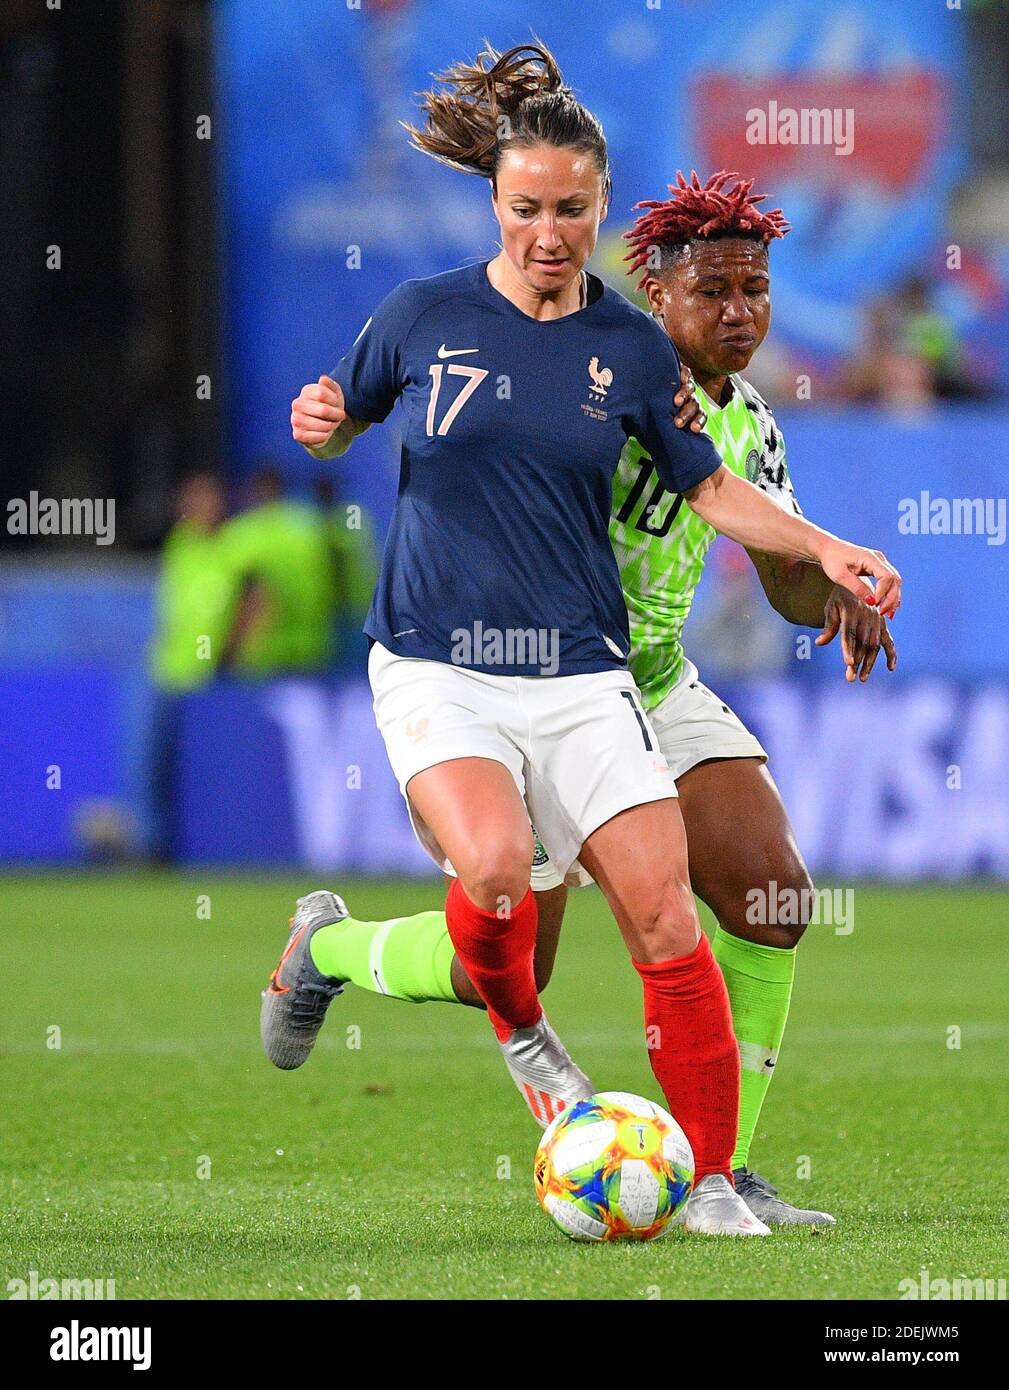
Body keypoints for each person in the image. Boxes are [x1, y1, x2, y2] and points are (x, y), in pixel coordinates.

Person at [261, 43, 901, 1237]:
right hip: (476, 665)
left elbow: (741, 527)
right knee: (501, 948)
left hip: (623, 675)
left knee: (760, 894)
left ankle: (723, 1170)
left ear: (598, 210)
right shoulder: (470, 328)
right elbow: (359, 414)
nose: (741, 312)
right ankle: (334, 948)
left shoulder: (730, 417)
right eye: (715, 289)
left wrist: (825, 562)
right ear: (655, 284)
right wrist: (327, 422)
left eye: (755, 290)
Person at [147, 472, 238, 861]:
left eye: (209, 499)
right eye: (195, 500)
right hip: (170, 675)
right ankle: (159, 846)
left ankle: (204, 847)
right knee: (160, 769)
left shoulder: (234, 548)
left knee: (204, 770)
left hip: (211, 681)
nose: (203, 507)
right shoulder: (180, 546)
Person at [218, 466, 335, 678]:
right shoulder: (311, 526)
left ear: (253, 491)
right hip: (312, 647)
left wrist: (228, 652)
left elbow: (246, 596)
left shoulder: (242, 533)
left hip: (262, 655)